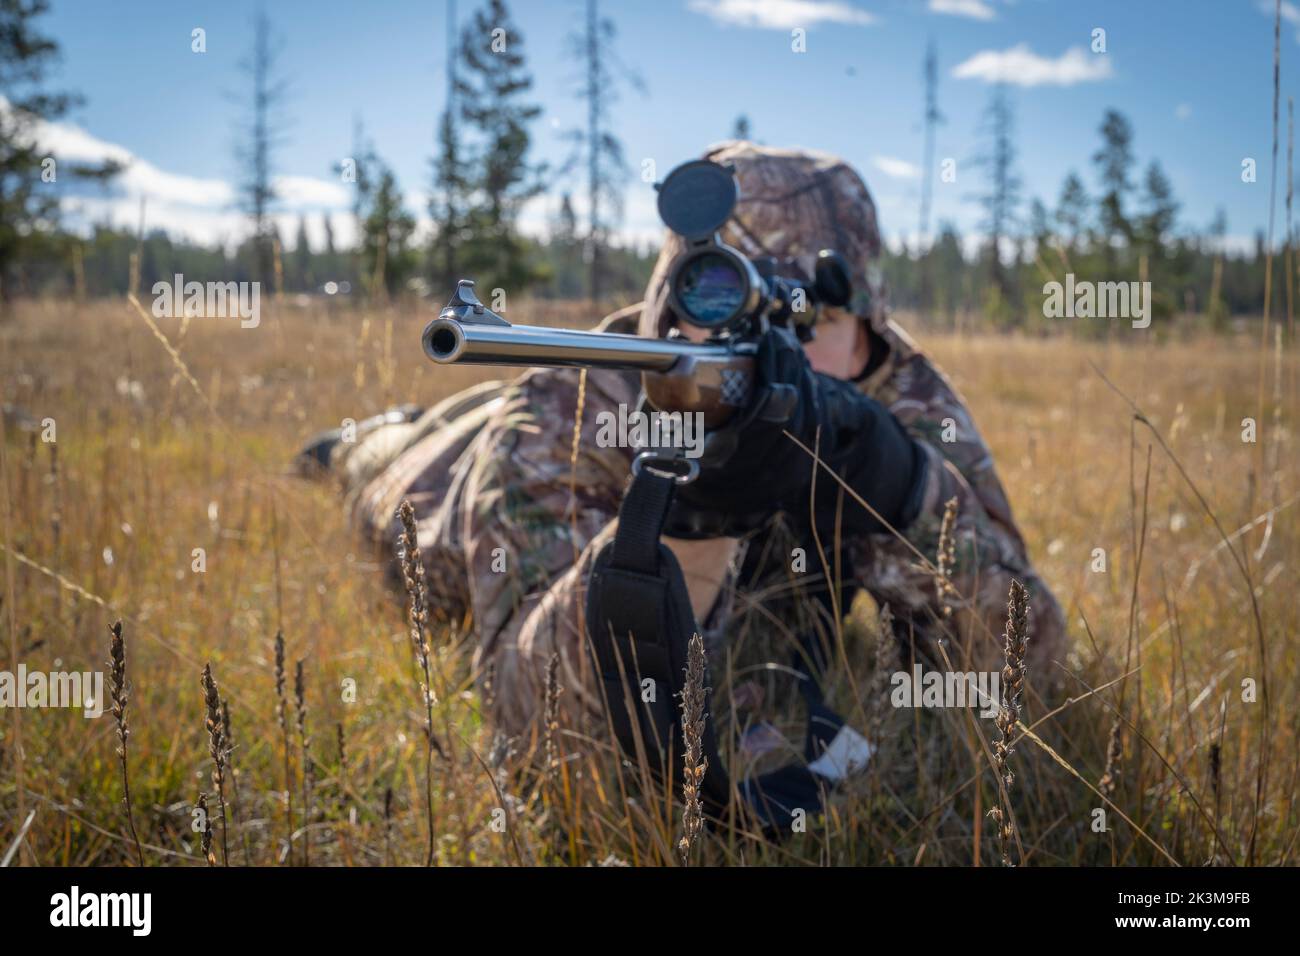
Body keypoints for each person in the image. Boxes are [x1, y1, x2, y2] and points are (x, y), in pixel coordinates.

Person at [300, 141, 1066, 776]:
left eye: (805, 320)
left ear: (865, 319)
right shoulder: (574, 404)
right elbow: (531, 723)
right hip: (438, 478)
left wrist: (900, 491)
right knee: (384, 459)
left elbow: (1033, 666)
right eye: (720, 309)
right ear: (672, 309)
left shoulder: (903, 400)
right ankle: (368, 435)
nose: (767, 355)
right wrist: (686, 522)